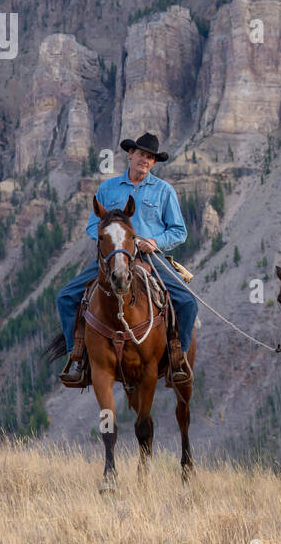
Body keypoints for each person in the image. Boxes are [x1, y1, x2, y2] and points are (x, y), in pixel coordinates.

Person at [56, 132, 197, 386]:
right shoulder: (107, 188)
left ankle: (178, 358)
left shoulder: (164, 191)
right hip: (113, 257)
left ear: (154, 163)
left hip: (150, 258)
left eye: (151, 158)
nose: (145, 160)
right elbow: (92, 226)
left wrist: (155, 242)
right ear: (130, 154)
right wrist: (111, 240)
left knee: (187, 302)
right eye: (142, 154)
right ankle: (76, 356)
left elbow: (179, 231)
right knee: (65, 297)